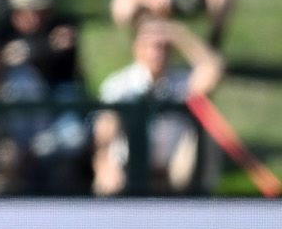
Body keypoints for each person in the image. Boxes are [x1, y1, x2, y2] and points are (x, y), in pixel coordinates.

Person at [94, 18, 223, 196]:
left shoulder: (182, 82)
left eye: (164, 46)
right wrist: (105, 166)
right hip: (130, 168)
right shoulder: (119, 85)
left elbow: (213, 70)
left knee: (206, 137)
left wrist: (180, 34)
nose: (157, 53)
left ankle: (196, 205)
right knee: (108, 181)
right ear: (137, 48)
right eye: (152, 46)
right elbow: (104, 136)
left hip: (174, 170)